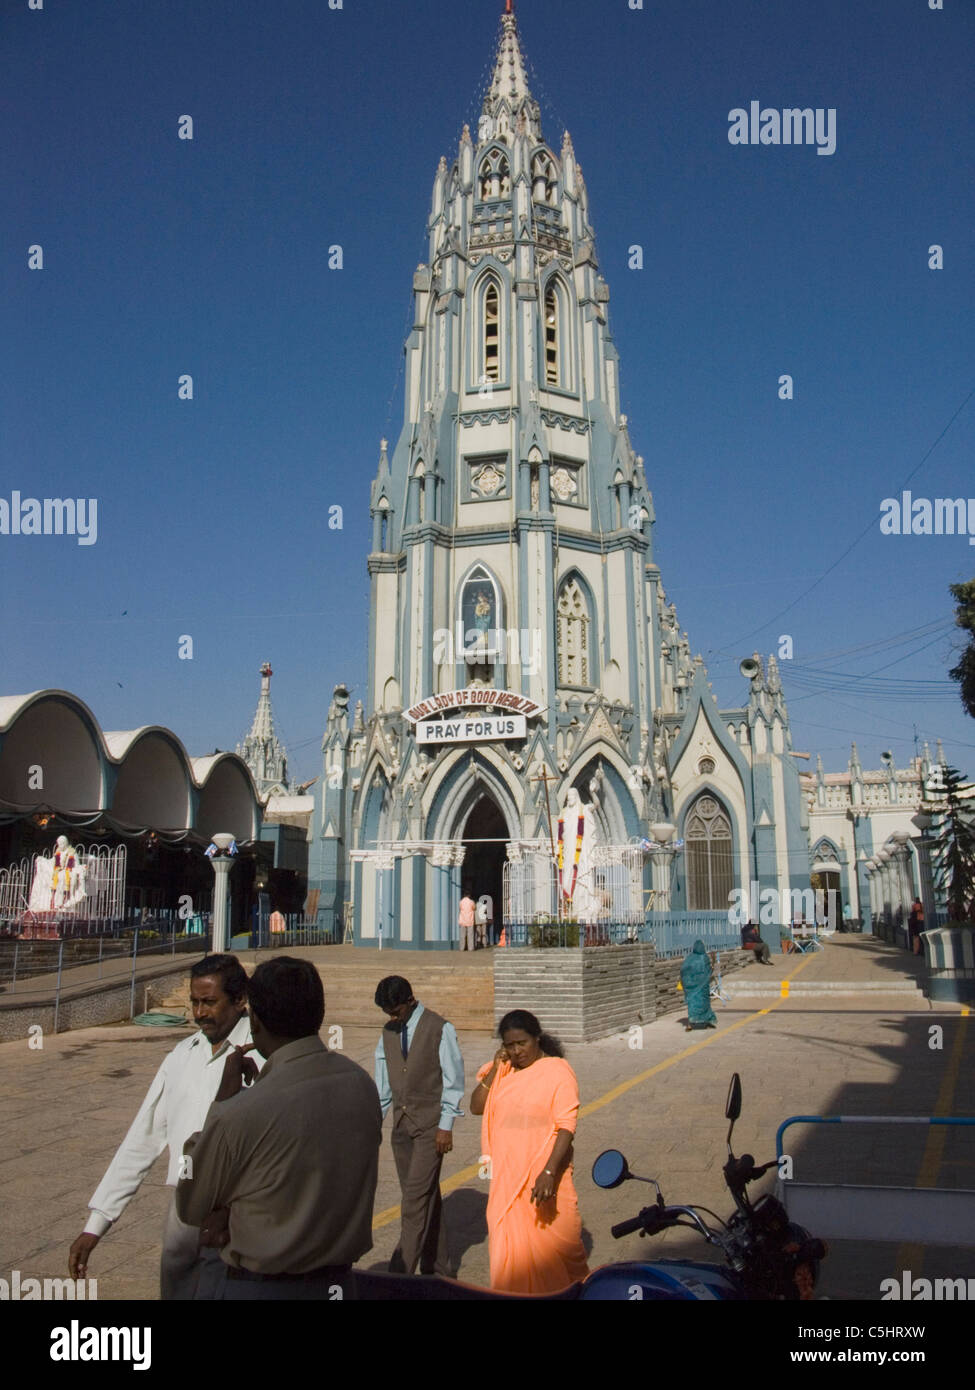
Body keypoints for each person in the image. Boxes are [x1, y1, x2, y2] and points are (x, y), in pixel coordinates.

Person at [176, 956, 381, 1300]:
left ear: (255, 1019)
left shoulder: (242, 1111)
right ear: (318, 1014)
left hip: (262, 1286)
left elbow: (191, 1203)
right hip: (338, 1284)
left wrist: (221, 1104)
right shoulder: (360, 1085)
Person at [68, 954, 259, 1299]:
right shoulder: (181, 1056)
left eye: (210, 1002)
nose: (199, 1013)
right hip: (184, 1215)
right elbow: (141, 1140)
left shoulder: (263, 1056)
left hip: (245, 1216)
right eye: (195, 1002)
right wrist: (96, 1225)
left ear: (240, 999)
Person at [471, 1010, 590, 1294]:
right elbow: (477, 1107)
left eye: (522, 1043)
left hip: (546, 1181)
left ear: (537, 1038)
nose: (516, 1051)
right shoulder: (504, 1070)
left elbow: (566, 1126)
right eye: (509, 1045)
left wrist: (548, 1171)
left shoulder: (557, 1071)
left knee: (560, 1252)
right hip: (507, 1185)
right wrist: (495, 1071)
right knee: (509, 1258)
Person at [374, 976, 464, 1276]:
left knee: (413, 1202)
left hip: (430, 1128)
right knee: (425, 1196)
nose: (393, 1018)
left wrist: (446, 1125)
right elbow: (384, 1086)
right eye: (388, 1013)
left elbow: (453, 1081)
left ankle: (399, 1273)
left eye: (397, 1012)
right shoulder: (387, 1033)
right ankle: (439, 1269)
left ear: (411, 1001)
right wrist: (375, 1123)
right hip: (402, 1131)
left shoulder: (440, 1028)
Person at [681, 939, 717, 1029]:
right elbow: (709, 971)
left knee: (692, 1005)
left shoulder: (689, 958)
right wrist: (714, 961)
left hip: (691, 989)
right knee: (704, 1004)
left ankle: (691, 1023)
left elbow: (683, 971)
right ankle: (707, 1020)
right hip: (702, 988)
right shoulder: (704, 958)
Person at [459, 884, 477, 951]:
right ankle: (470, 948)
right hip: (470, 920)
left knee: (462, 935)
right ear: (469, 895)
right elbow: (474, 908)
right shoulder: (471, 902)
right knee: (470, 935)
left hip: (462, 920)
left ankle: (462, 948)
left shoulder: (461, 902)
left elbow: (460, 908)